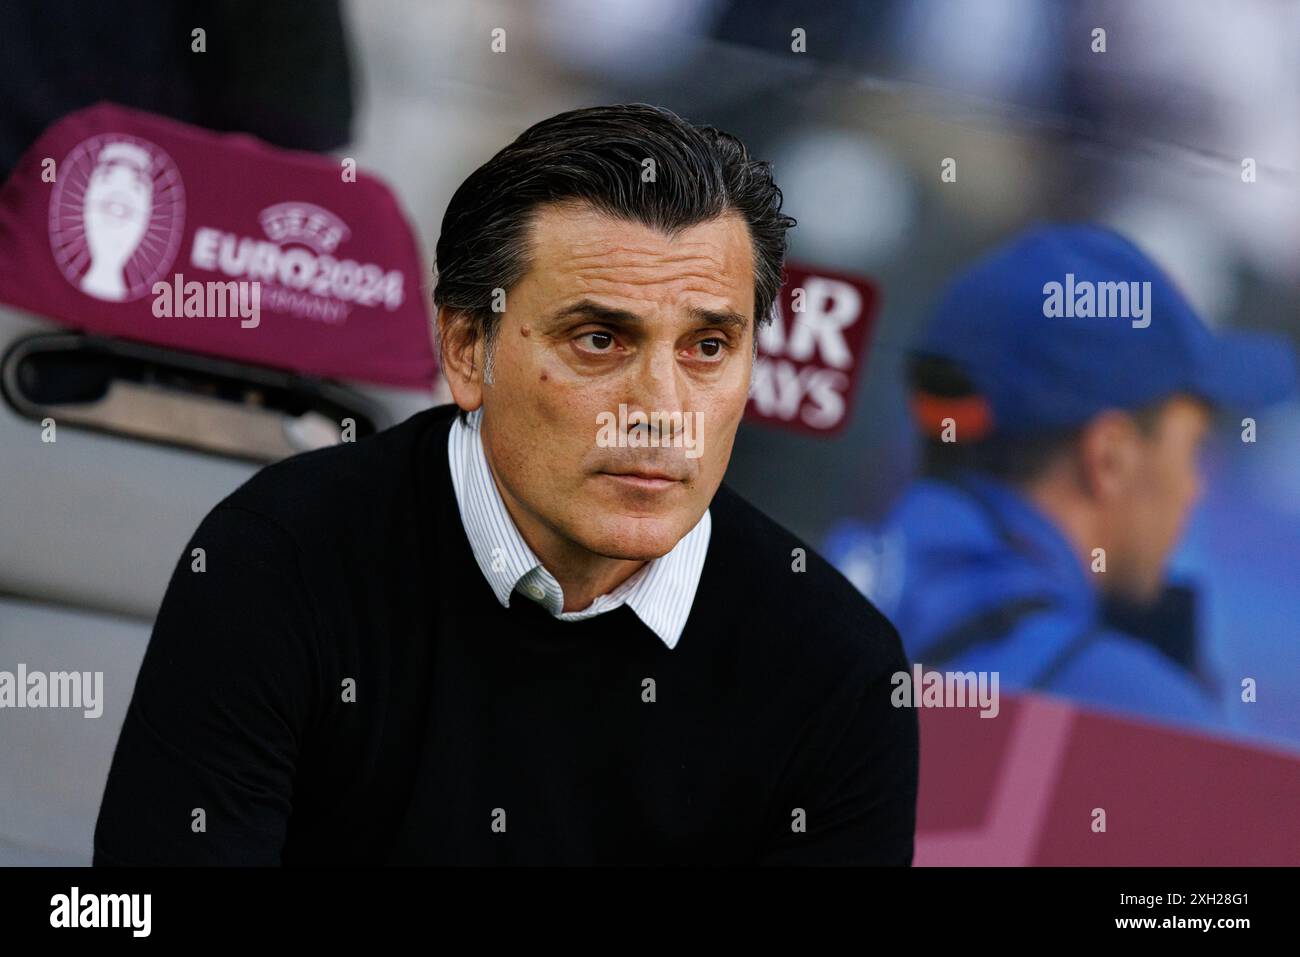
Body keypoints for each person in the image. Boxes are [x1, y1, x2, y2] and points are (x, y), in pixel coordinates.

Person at [93, 104, 918, 866]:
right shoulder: (280, 558)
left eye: (707, 348)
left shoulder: (838, 675)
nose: (663, 414)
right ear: (464, 349)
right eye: (599, 339)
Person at [826, 224, 1296, 734]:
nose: (1195, 487)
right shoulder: (1136, 710)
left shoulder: (786, 584)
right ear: (1110, 458)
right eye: (1193, 448)